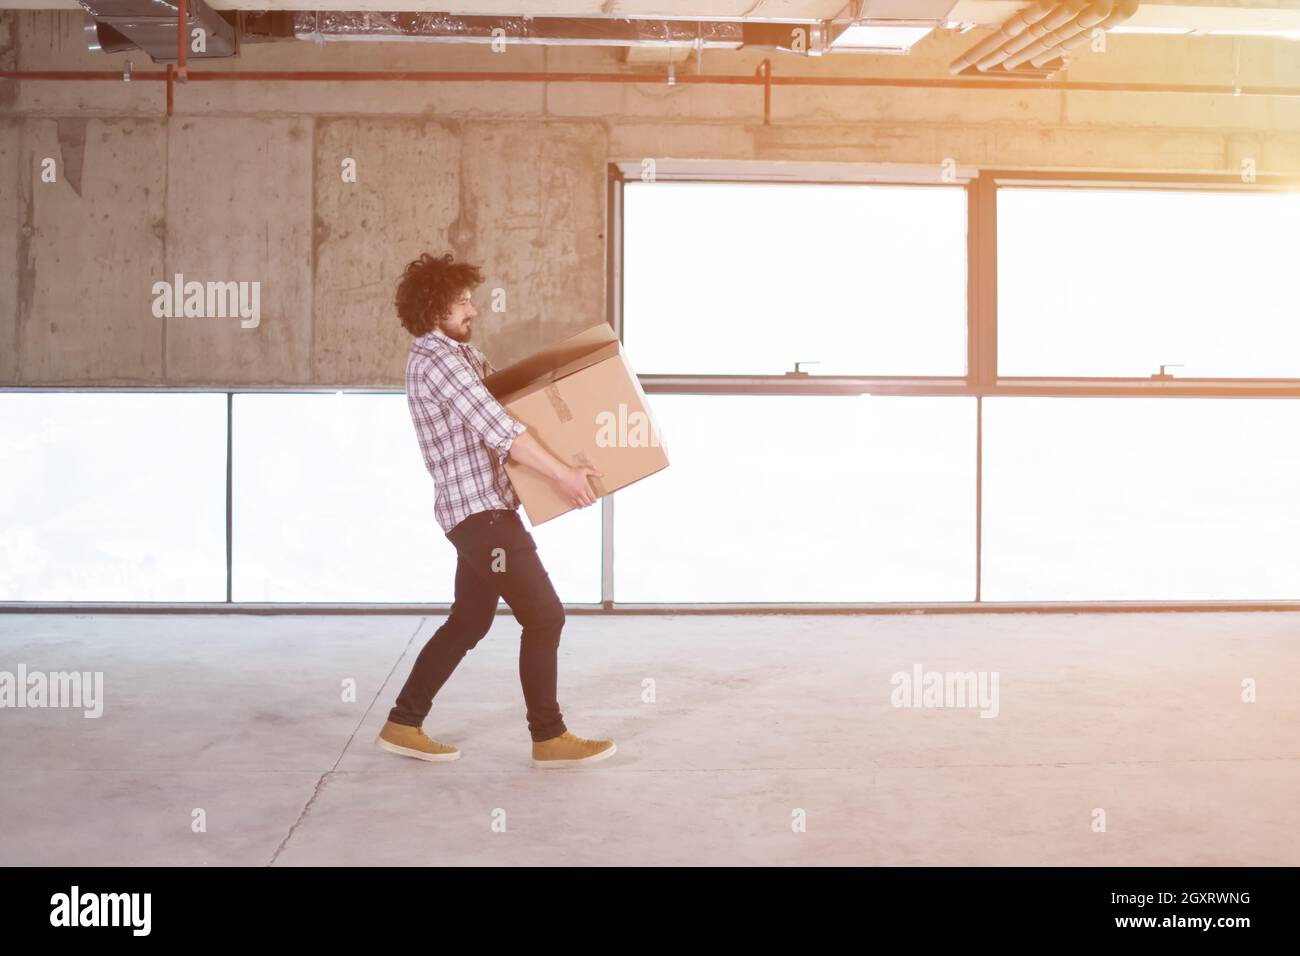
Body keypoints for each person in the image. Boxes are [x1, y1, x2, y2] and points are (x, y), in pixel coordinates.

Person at [375, 252, 616, 769]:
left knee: (468, 621)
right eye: (462, 301)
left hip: (483, 512)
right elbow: (501, 429)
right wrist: (563, 476)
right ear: (434, 307)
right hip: (481, 516)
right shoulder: (435, 360)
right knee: (545, 615)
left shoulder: (460, 355)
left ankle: (402, 722)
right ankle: (548, 737)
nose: (474, 310)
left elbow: (514, 400)